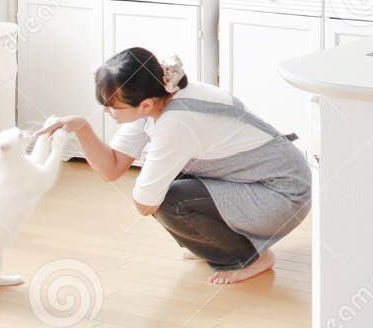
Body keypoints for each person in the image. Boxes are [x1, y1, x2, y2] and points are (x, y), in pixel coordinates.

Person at [36, 47, 312, 284]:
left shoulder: (176, 122)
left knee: (170, 200)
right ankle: (215, 243)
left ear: (144, 104)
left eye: (111, 106)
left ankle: (247, 258)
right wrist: (82, 128)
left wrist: (159, 170)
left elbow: (145, 203)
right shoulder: (159, 96)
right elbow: (112, 169)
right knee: (169, 181)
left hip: (283, 194)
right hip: (256, 180)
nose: (106, 111)